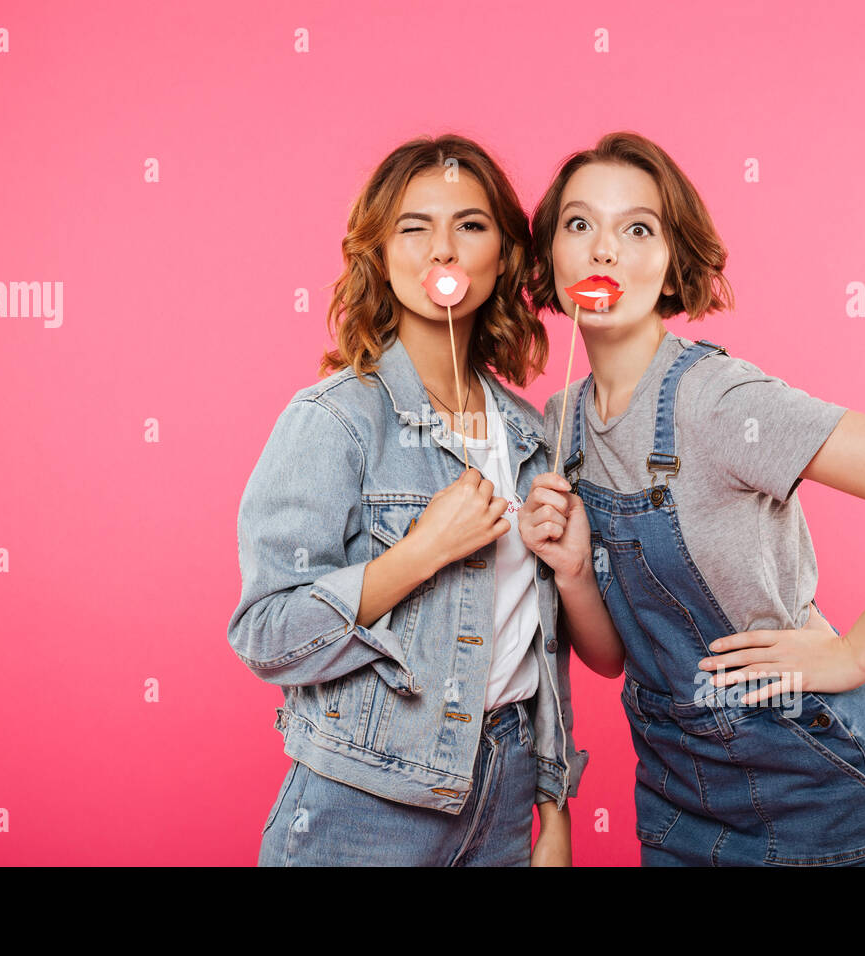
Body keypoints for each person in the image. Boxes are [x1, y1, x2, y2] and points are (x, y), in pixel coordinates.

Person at [521, 131, 865, 866]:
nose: (603, 249)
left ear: (674, 268)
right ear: (551, 258)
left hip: (818, 791)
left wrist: (855, 654)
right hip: (680, 800)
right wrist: (575, 572)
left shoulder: (716, 400)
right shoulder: (562, 427)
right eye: (579, 224)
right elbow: (614, 659)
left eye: (637, 228)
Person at [228, 134, 620, 866]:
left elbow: (542, 652)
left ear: (502, 253)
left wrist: (554, 810)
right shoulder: (336, 420)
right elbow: (265, 634)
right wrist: (423, 551)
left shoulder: (533, 436)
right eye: (414, 228)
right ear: (380, 253)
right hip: (364, 804)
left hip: (503, 797)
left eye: (469, 226)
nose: (443, 250)